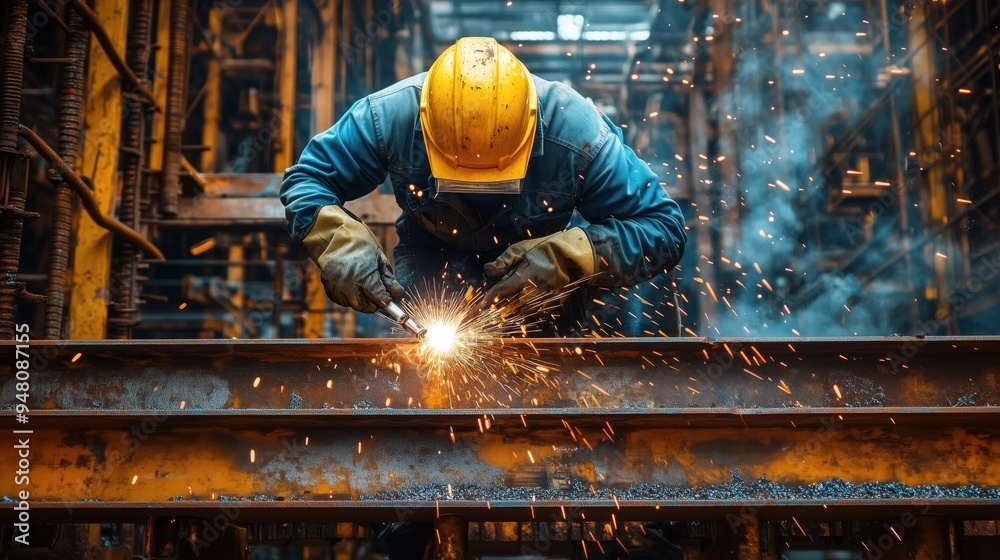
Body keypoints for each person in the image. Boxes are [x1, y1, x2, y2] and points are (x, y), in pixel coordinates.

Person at [281, 37, 687, 336]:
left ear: (531, 131)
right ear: (427, 124)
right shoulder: (391, 118)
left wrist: (571, 256)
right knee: (425, 386)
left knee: (545, 402)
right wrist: (338, 241)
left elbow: (664, 229)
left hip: (541, 279)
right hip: (433, 263)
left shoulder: (578, 135)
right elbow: (308, 179)